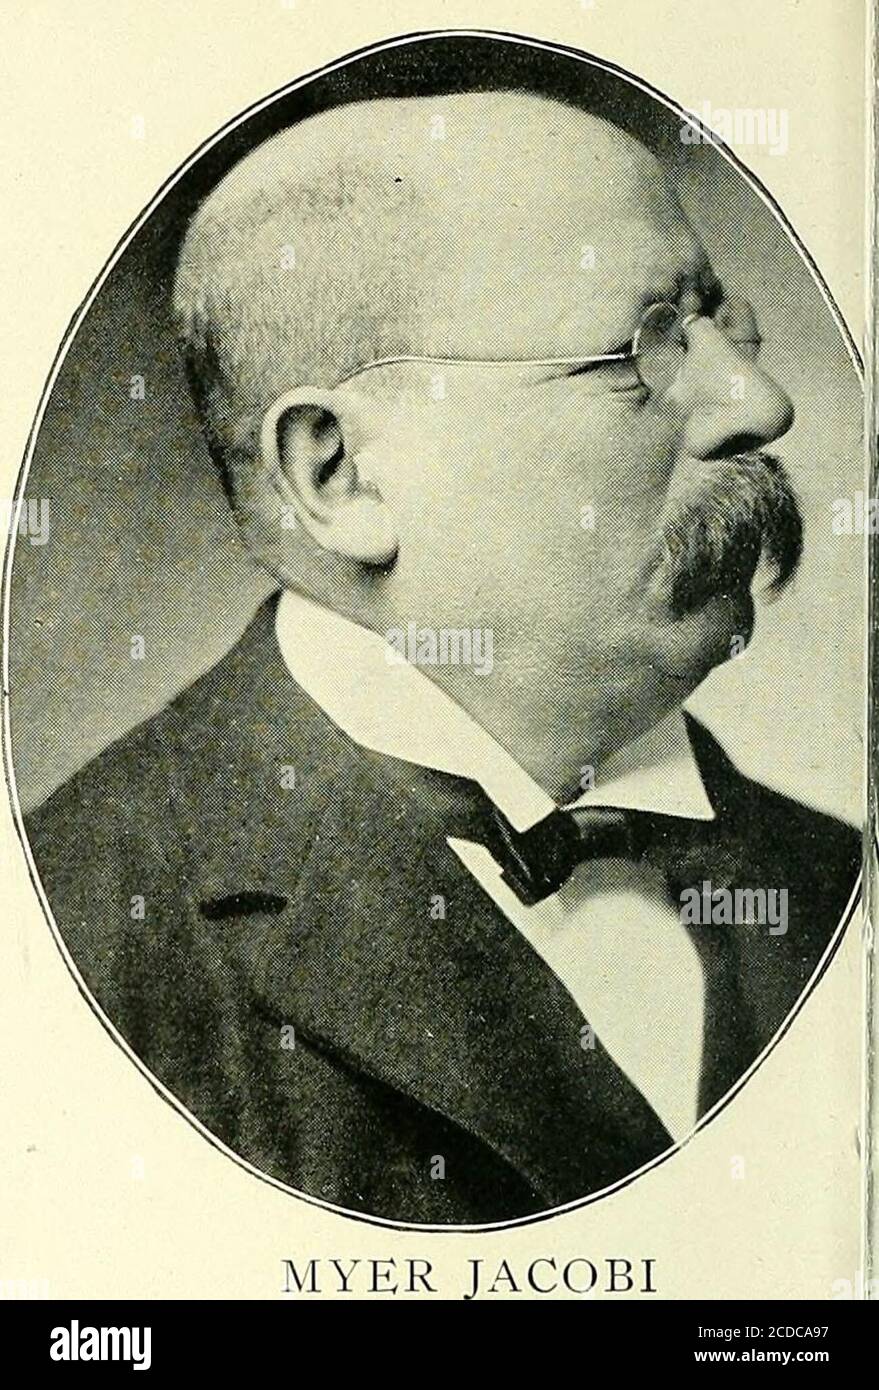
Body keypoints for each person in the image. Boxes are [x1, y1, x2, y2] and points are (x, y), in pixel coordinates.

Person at [26, 90, 860, 1223]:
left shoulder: (837, 881)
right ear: (339, 475)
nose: (757, 403)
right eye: (642, 350)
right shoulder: (68, 953)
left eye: (721, 320)